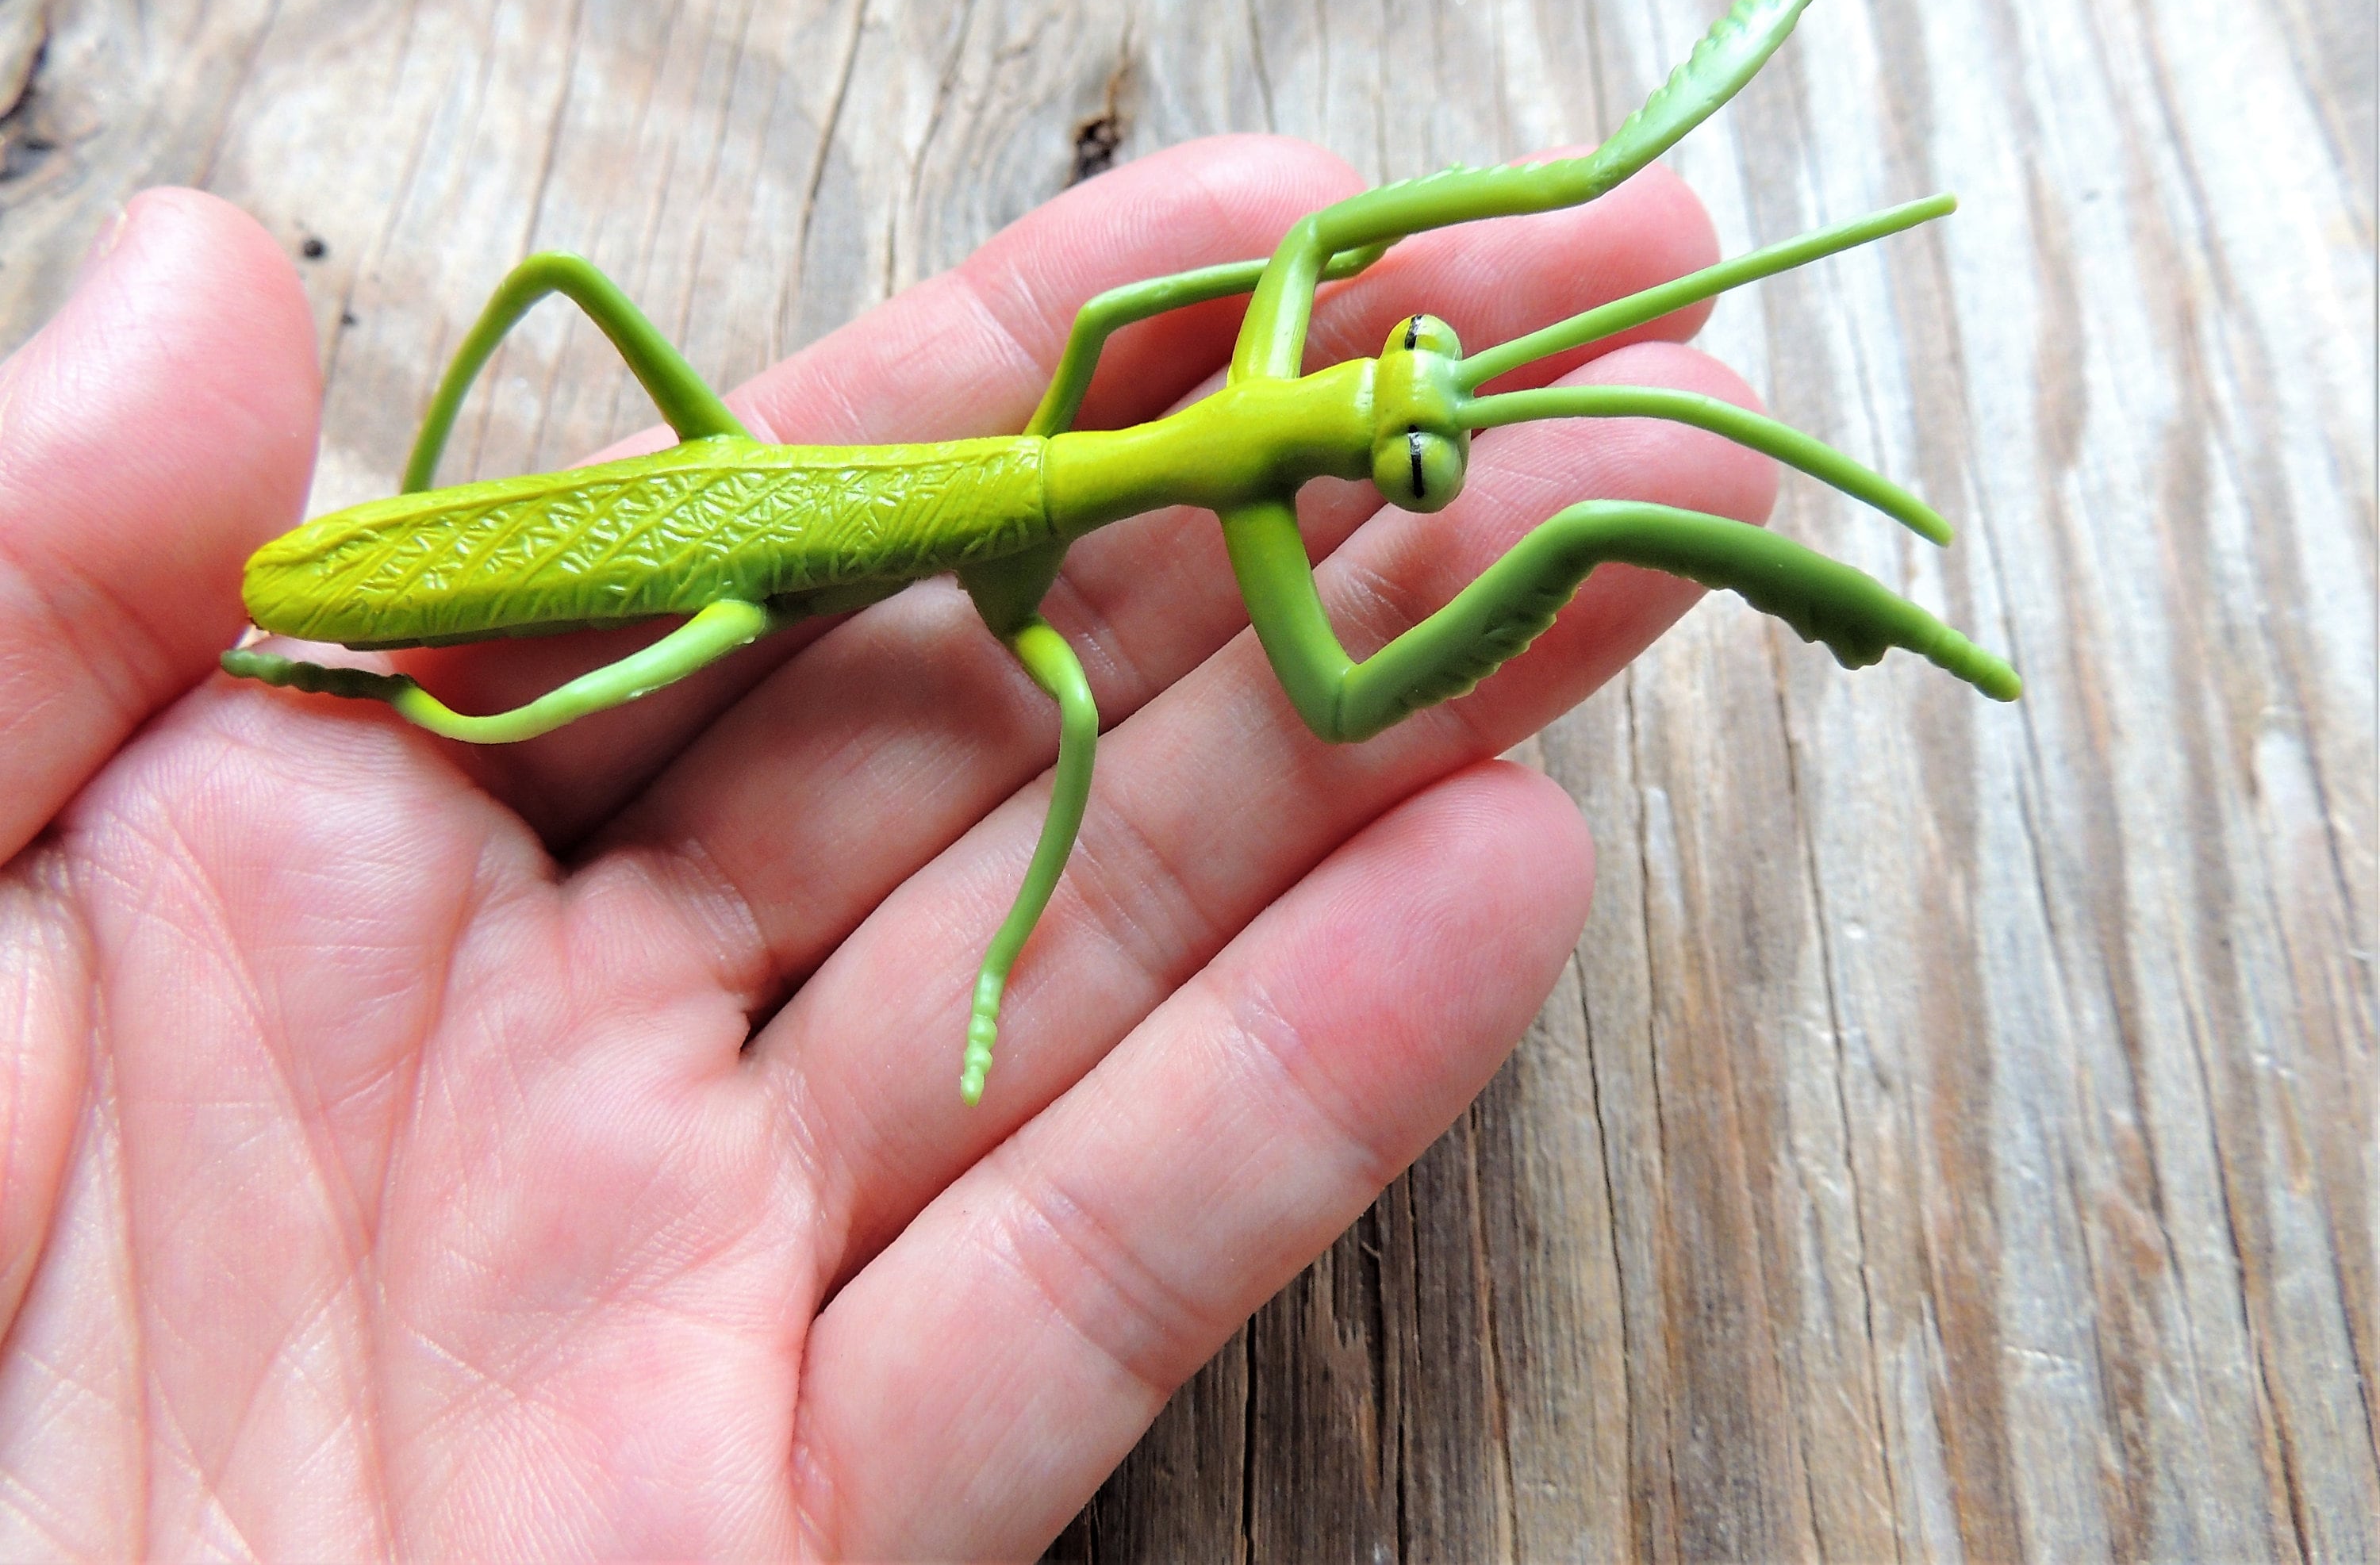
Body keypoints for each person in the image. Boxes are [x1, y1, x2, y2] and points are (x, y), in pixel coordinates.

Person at [0, 137, 1772, 1556]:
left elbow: (1149, 308)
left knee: (590, 329)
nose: (1394, 399)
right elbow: (1293, 661)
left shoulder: (1106, 382)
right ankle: (357, 676)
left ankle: (354, 653)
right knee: (611, 655)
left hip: (779, 523)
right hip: (737, 546)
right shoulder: (1155, 488)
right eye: (1393, 394)